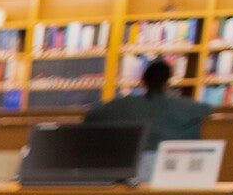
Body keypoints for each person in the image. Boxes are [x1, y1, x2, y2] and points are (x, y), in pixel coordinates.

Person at [84, 58, 215, 180]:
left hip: (132, 168)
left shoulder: (123, 105)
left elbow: (91, 115)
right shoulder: (186, 107)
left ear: (143, 81)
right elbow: (207, 110)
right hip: (176, 169)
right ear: (167, 82)